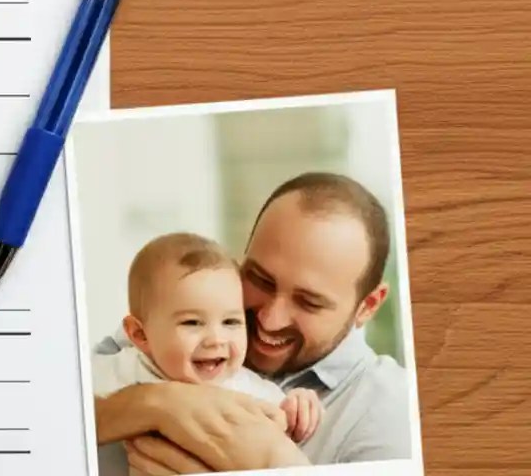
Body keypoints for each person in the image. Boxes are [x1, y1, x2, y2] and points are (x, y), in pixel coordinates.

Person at [93, 173, 413, 474]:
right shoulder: (176, 319)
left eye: (309, 302)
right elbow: (54, 409)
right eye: (260, 279)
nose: (269, 320)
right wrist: (154, 403)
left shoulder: (390, 411)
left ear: (367, 306)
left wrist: (275, 462)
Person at [92, 232, 322, 475]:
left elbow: (284, 430)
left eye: (231, 322)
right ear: (140, 335)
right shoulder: (119, 372)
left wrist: (299, 405)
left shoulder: (249, 390)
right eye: (192, 323)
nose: (216, 340)